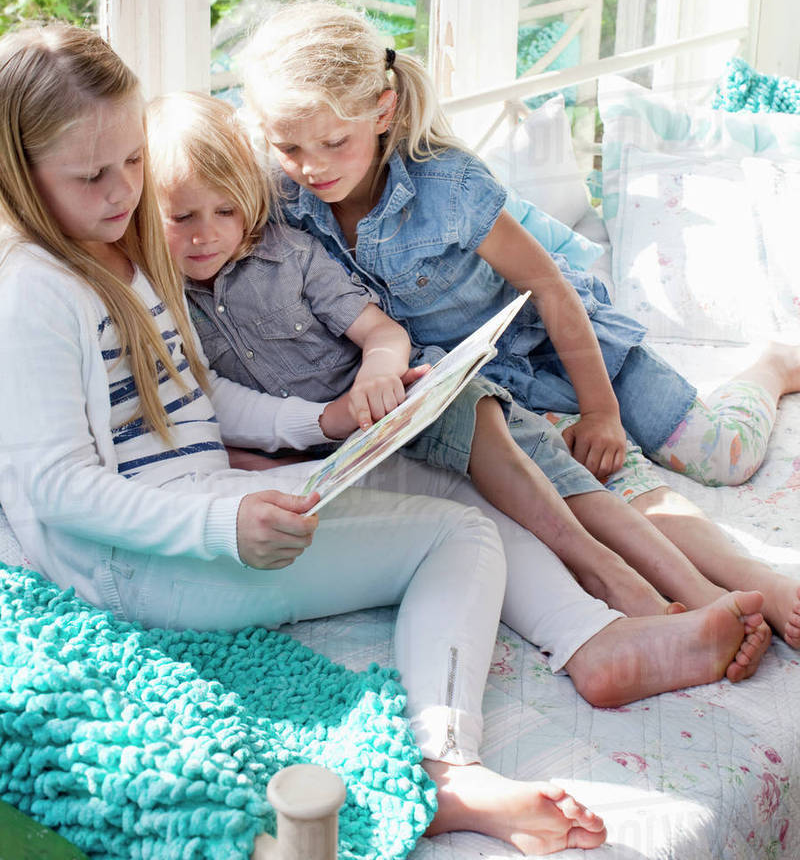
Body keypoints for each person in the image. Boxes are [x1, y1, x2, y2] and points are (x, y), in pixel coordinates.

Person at [143, 89, 770, 694]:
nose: (206, 235)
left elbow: (394, 331)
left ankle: (685, 586)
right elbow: (210, 403)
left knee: (594, 481)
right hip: (363, 441)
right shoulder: (174, 288)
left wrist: (379, 374)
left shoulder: (309, 242)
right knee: (513, 503)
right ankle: (622, 622)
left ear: (381, 111)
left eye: (225, 211)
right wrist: (271, 448)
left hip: (496, 370)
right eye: (182, 217)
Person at [240, 0, 800, 649]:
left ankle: (772, 364)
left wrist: (602, 412)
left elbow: (551, 288)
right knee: (617, 491)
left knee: (721, 458)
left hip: (567, 350)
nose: (313, 166)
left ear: (383, 111)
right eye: (290, 147)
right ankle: (745, 583)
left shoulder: (446, 186)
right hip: (497, 390)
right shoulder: (284, 199)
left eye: (335, 142)